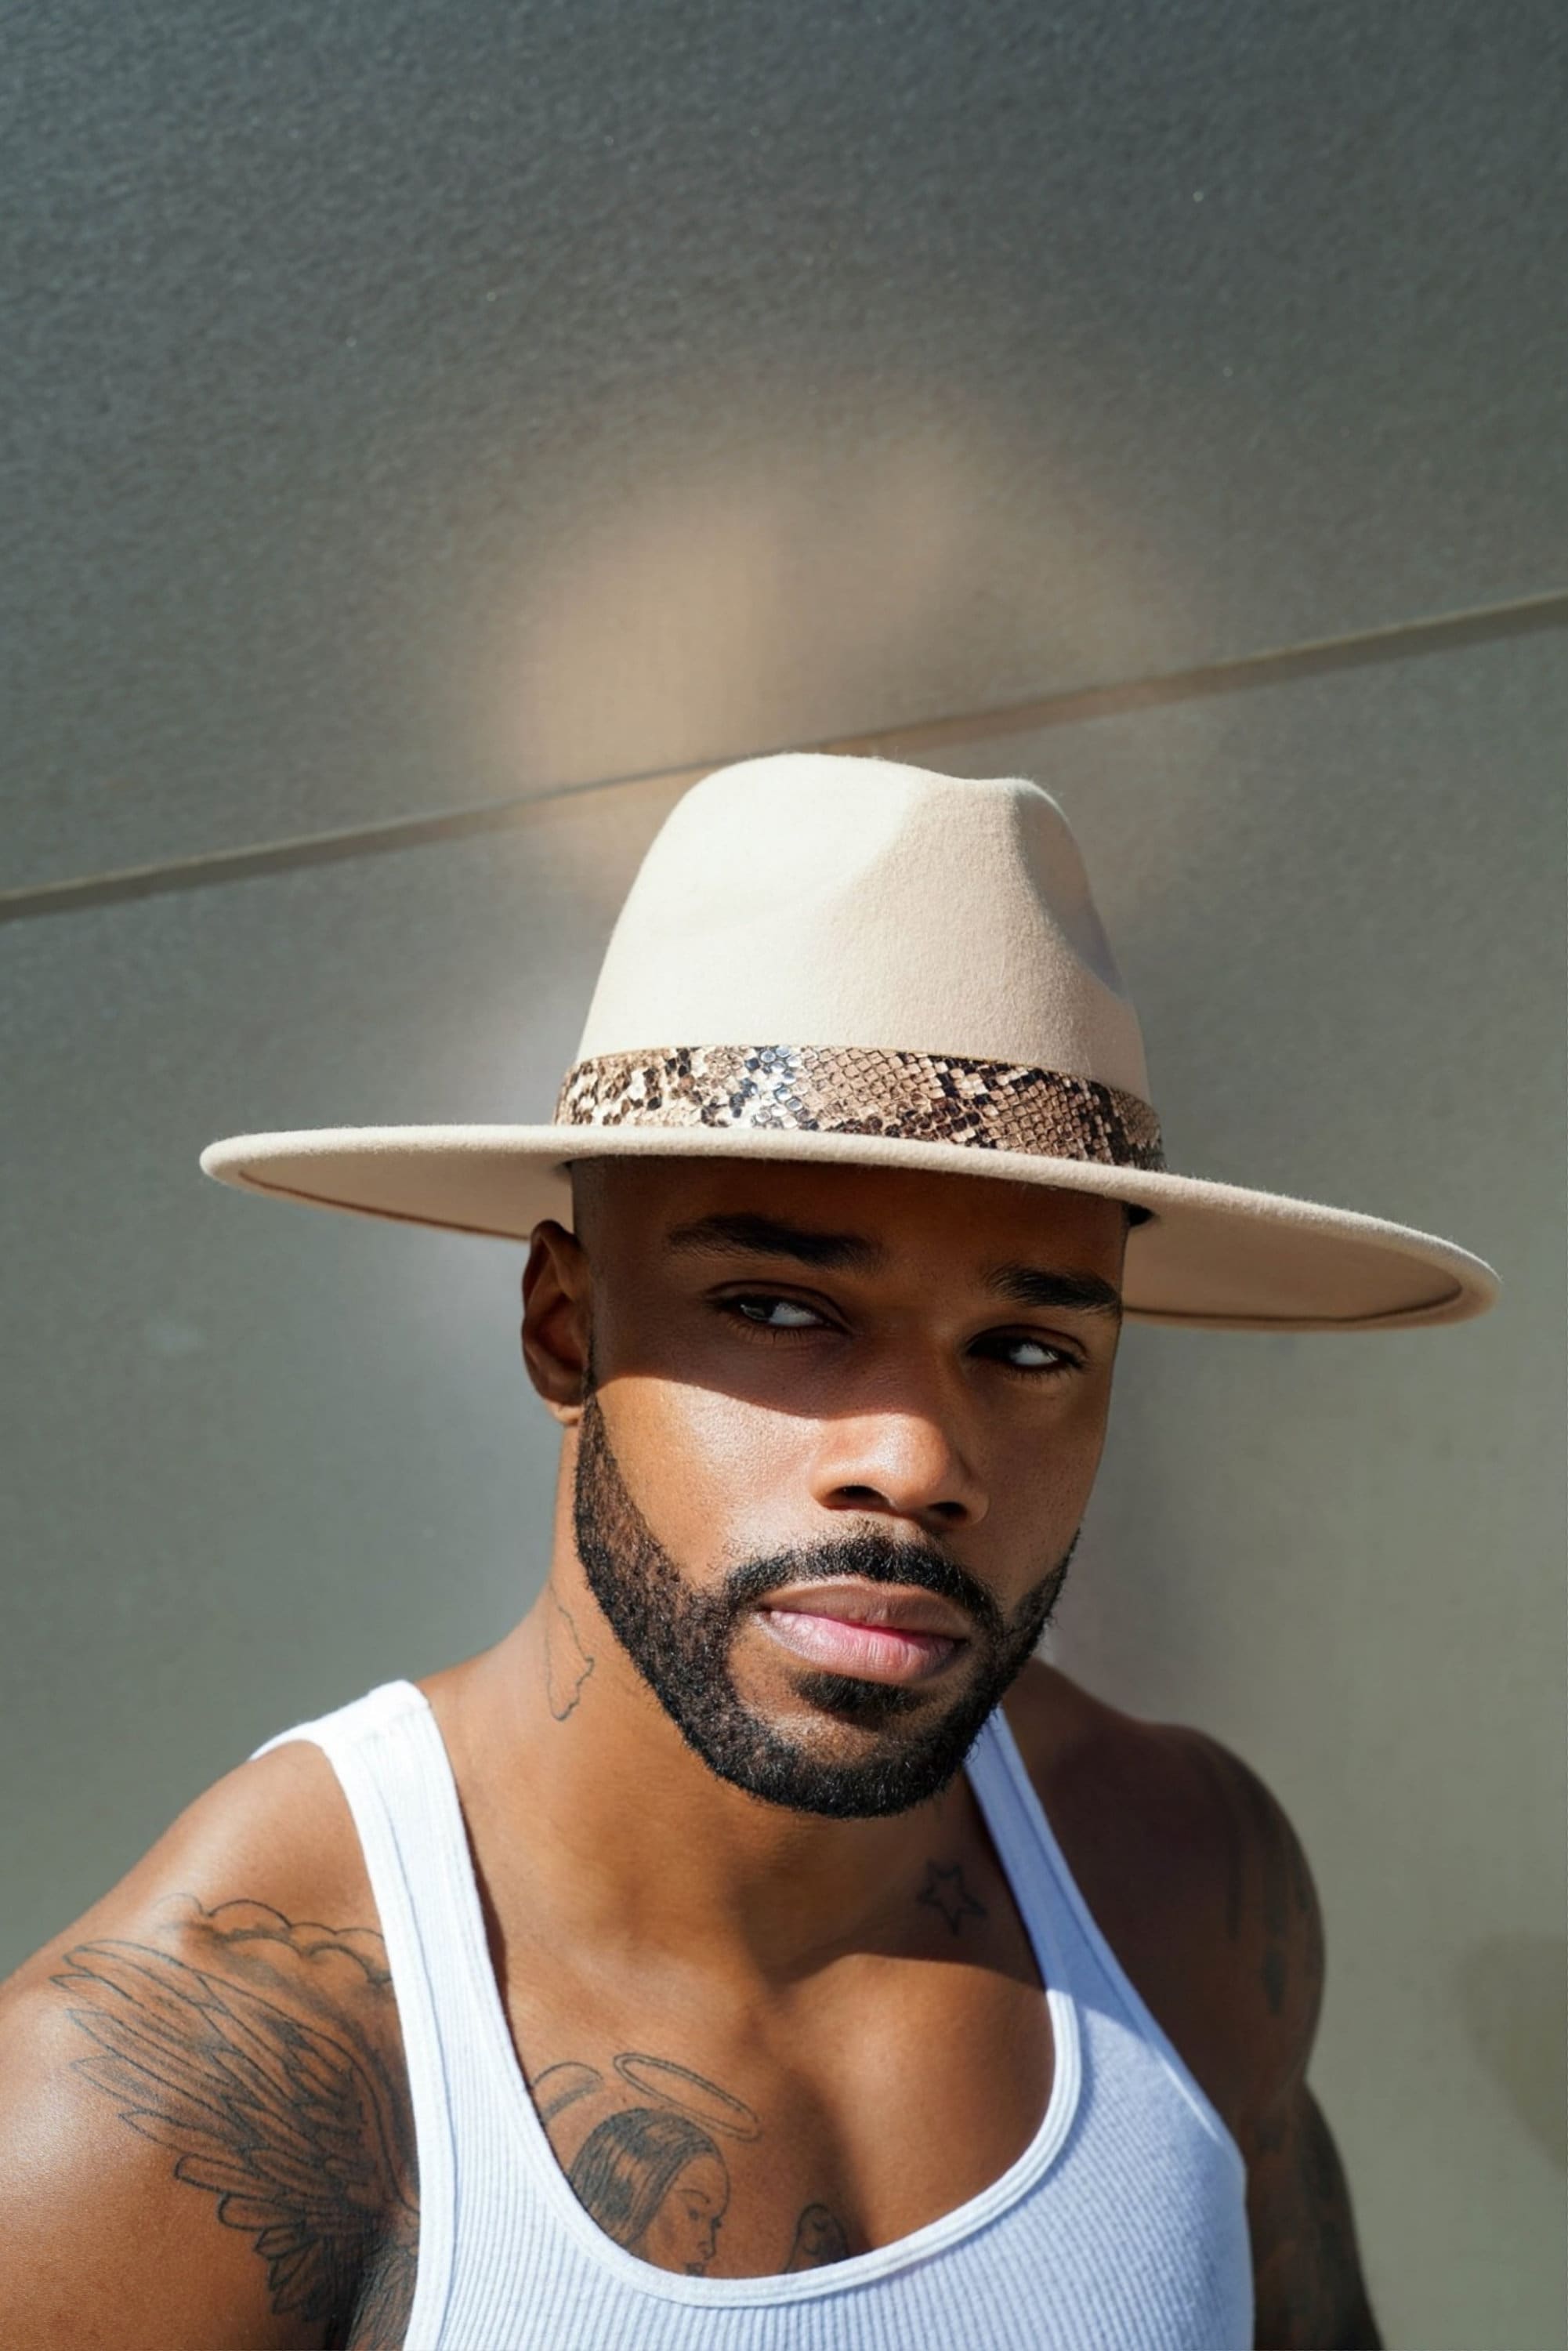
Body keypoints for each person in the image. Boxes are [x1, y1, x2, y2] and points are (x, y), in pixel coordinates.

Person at [0, 753, 1497, 2350]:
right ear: (563, 1325)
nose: (915, 1463)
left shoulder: (1180, 1874)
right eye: (780, 1312)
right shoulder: (170, 2108)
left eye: (1027, 1350)